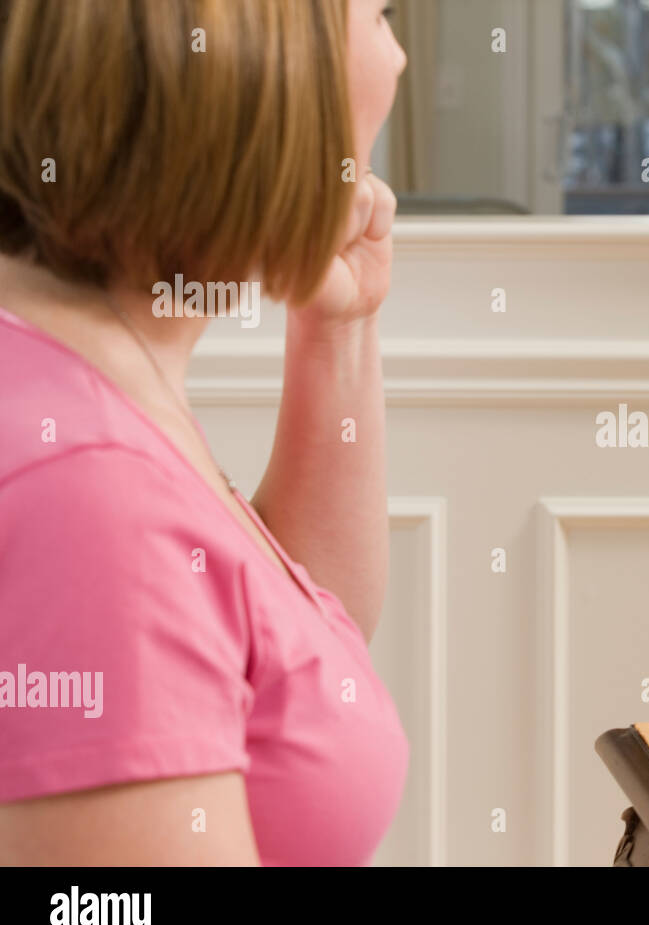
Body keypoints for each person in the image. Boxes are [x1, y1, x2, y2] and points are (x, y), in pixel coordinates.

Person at [0, 0, 410, 865]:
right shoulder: (89, 496)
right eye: (381, 15)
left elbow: (293, 637)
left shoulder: (82, 358)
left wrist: (337, 328)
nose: (402, 60)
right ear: (266, 60)